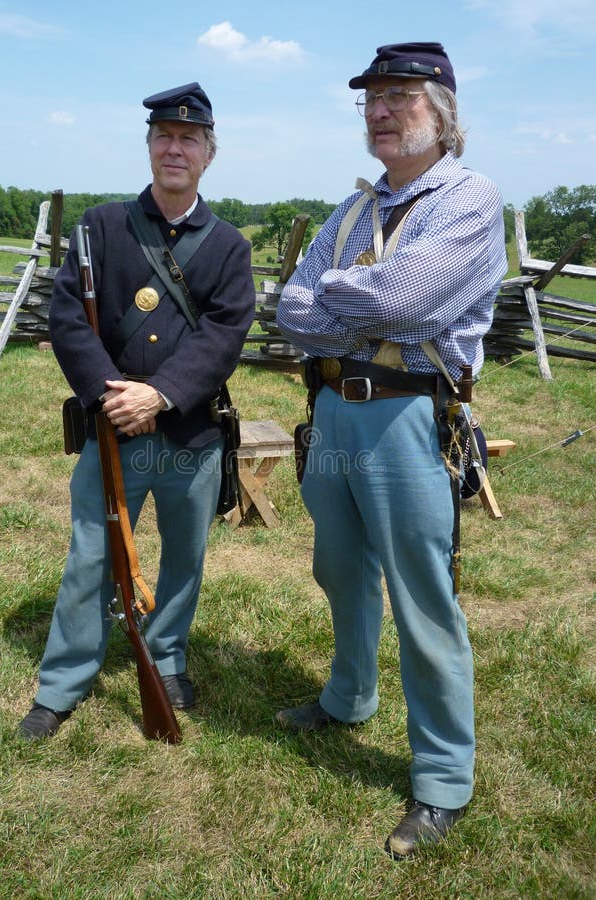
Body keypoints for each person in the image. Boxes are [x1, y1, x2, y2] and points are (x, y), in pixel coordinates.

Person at [275, 43, 507, 858]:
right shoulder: (352, 209)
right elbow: (288, 311)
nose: (379, 110)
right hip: (332, 408)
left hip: (409, 415)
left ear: (440, 111)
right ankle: (348, 697)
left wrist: (341, 297)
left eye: (398, 97)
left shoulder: (468, 199)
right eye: (370, 98)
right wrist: (358, 302)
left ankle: (443, 776)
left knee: (421, 593)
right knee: (336, 566)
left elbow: (405, 300)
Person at [19, 83, 256, 740]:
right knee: (91, 557)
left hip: (189, 431)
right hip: (110, 426)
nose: (174, 148)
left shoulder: (229, 246)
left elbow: (224, 334)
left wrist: (159, 393)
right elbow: (69, 319)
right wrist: (110, 392)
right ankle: (63, 680)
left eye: (188, 139)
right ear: (149, 146)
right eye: (163, 137)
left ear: (208, 154)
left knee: (184, 556)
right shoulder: (100, 226)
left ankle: (168, 653)